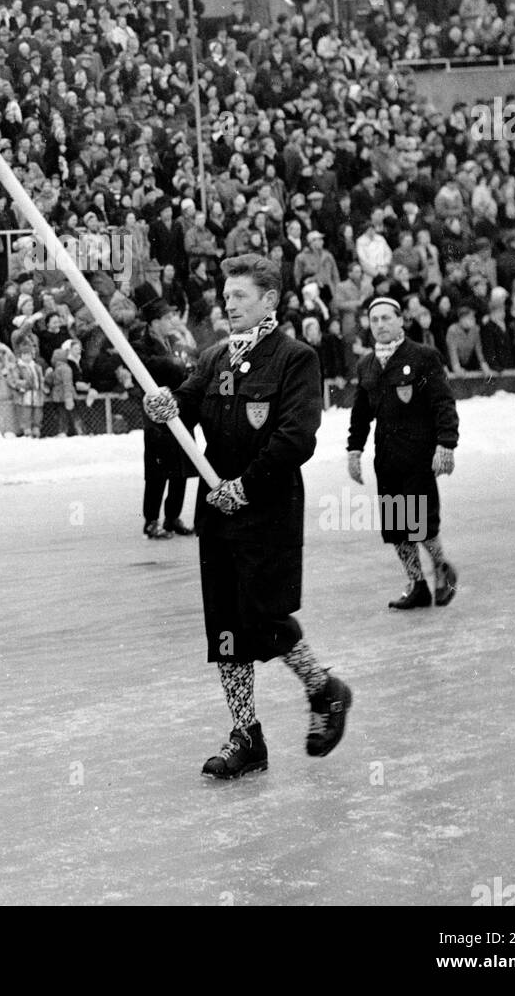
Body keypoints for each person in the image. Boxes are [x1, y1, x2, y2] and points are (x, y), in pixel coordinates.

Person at [143, 254, 352, 779]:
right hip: (217, 512)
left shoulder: (295, 358)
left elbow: (296, 435)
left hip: (268, 508)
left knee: (263, 613)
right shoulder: (214, 358)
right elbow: (185, 414)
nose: (228, 303)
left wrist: (247, 485)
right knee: (226, 628)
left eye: (239, 296)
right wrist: (164, 410)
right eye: (226, 295)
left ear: (269, 300)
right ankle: (246, 736)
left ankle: (324, 689)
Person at [347, 297, 460, 609]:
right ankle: (417, 585)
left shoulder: (423, 357)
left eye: (386, 318)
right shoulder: (367, 364)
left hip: (419, 456)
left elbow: (443, 403)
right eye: (375, 320)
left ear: (400, 321)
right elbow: (360, 414)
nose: (380, 325)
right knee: (397, 529)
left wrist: (446, 445)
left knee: (420, 524)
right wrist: (354, 451)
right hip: (387, 459)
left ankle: (442, 569)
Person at [135, 325, 194, 540]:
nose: (171, 321)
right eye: (165, 317)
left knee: (180, 472)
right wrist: (172, 362)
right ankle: (151, 520)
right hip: (157, 419)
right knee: (157, 474)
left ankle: (173, 517)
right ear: (153, 323)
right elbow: (145, 366)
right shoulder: (142, 345)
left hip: (179, 411)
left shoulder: (174, 341)